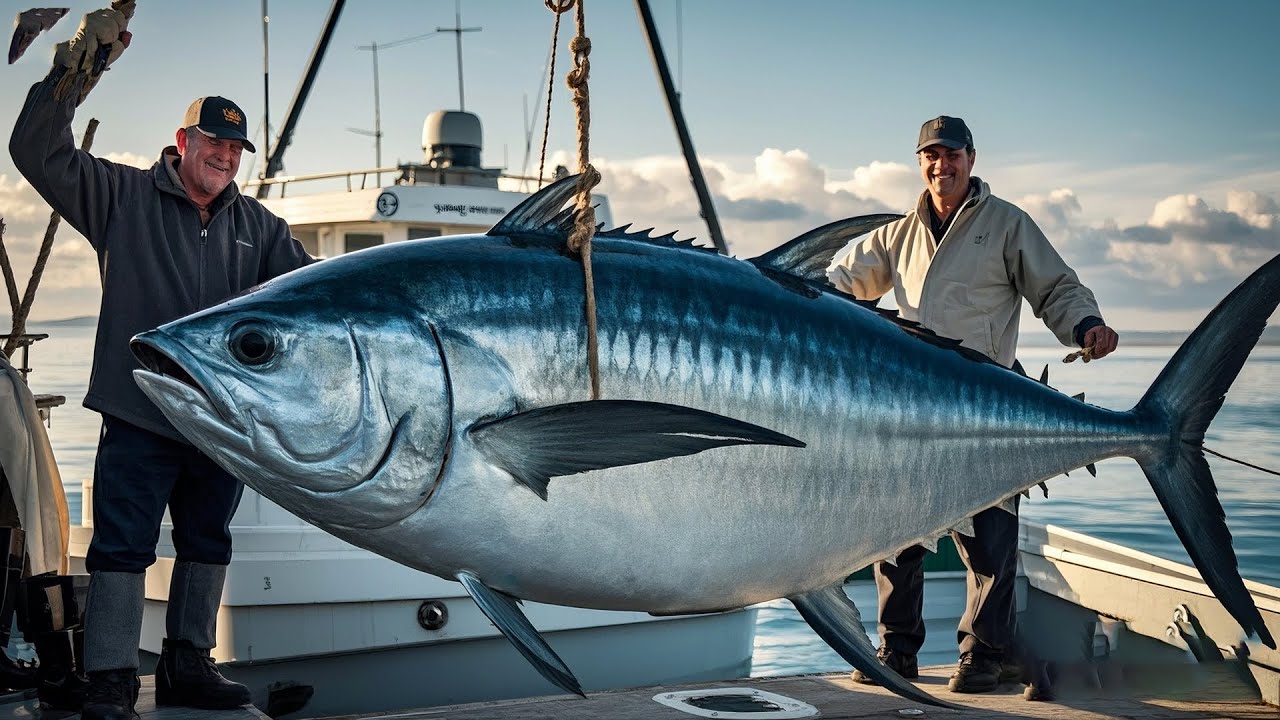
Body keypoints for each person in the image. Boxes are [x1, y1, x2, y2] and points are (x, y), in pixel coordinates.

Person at [9, 6, 315, 719]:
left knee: (210, 540)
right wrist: (72, 70)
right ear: (183, 141)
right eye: (215, 143)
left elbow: (315, 294)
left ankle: (187, 664)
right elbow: (34, 149)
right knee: (121, 546)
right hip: (139, 410)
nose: (227, 158)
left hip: (220, 421)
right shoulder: (120, 197)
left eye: (238, 149)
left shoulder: (261, 229)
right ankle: (112, 678)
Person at [826, 115, 1119, 695]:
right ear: (920, 163)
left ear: (972, 157)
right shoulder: (897, 234)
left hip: (988, 401)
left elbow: (1054, 287)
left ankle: (987, 654)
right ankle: (896, 651)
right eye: (931, 156)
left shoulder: (1007, 224)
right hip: (907, 406)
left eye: (952, 154)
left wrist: (1085, 325)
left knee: (989, 535)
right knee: (895, 533)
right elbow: (837, 279)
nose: (942, 165)